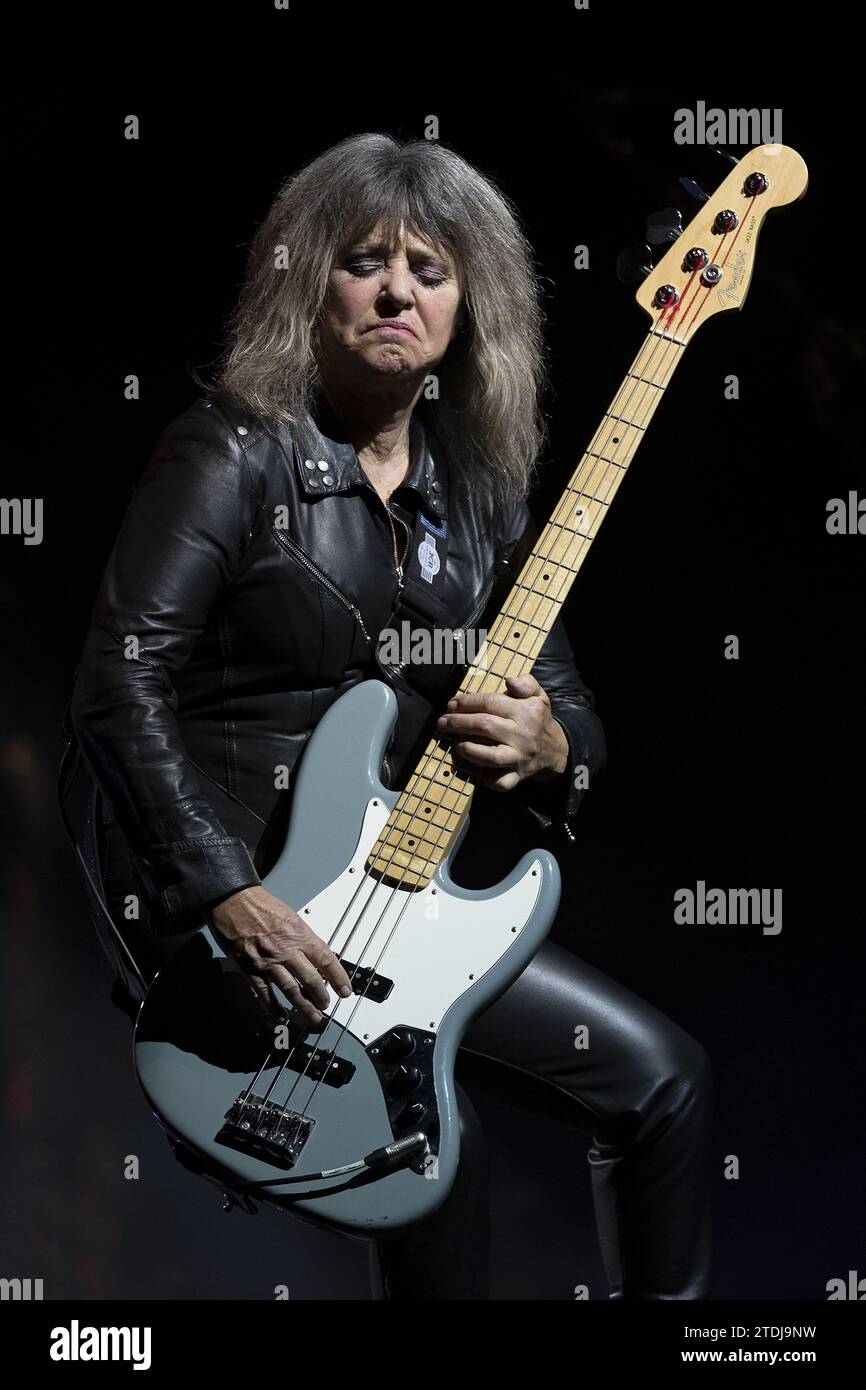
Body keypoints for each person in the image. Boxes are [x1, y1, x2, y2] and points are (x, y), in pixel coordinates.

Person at [64, 132, 713, 1300]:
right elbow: (119, 682)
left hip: (407, 925)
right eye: (364, 260)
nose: (395, 289)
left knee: (663, 1080)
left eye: (430, 269)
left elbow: (569, 708)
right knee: (437, 1191)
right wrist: (226, 894)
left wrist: (550, 743)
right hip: (248, 912)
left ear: (472, 308)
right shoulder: (230, 454)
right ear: (308, 280)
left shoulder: (476, 499)